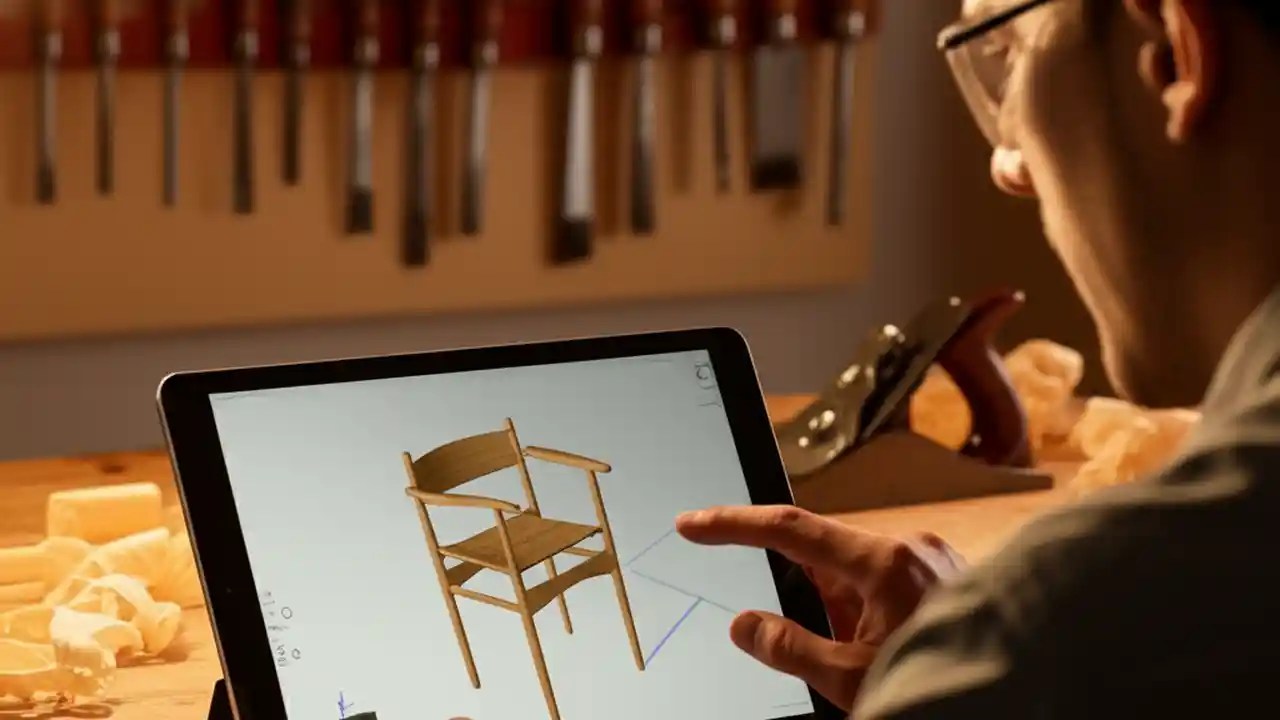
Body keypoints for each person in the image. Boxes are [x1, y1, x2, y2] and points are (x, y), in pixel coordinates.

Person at [677, 0, 1280, 716]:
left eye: (1012, 53)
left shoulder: (1044, 650)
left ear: (1178, 56)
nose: (1009, 167)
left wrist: (960, 669)